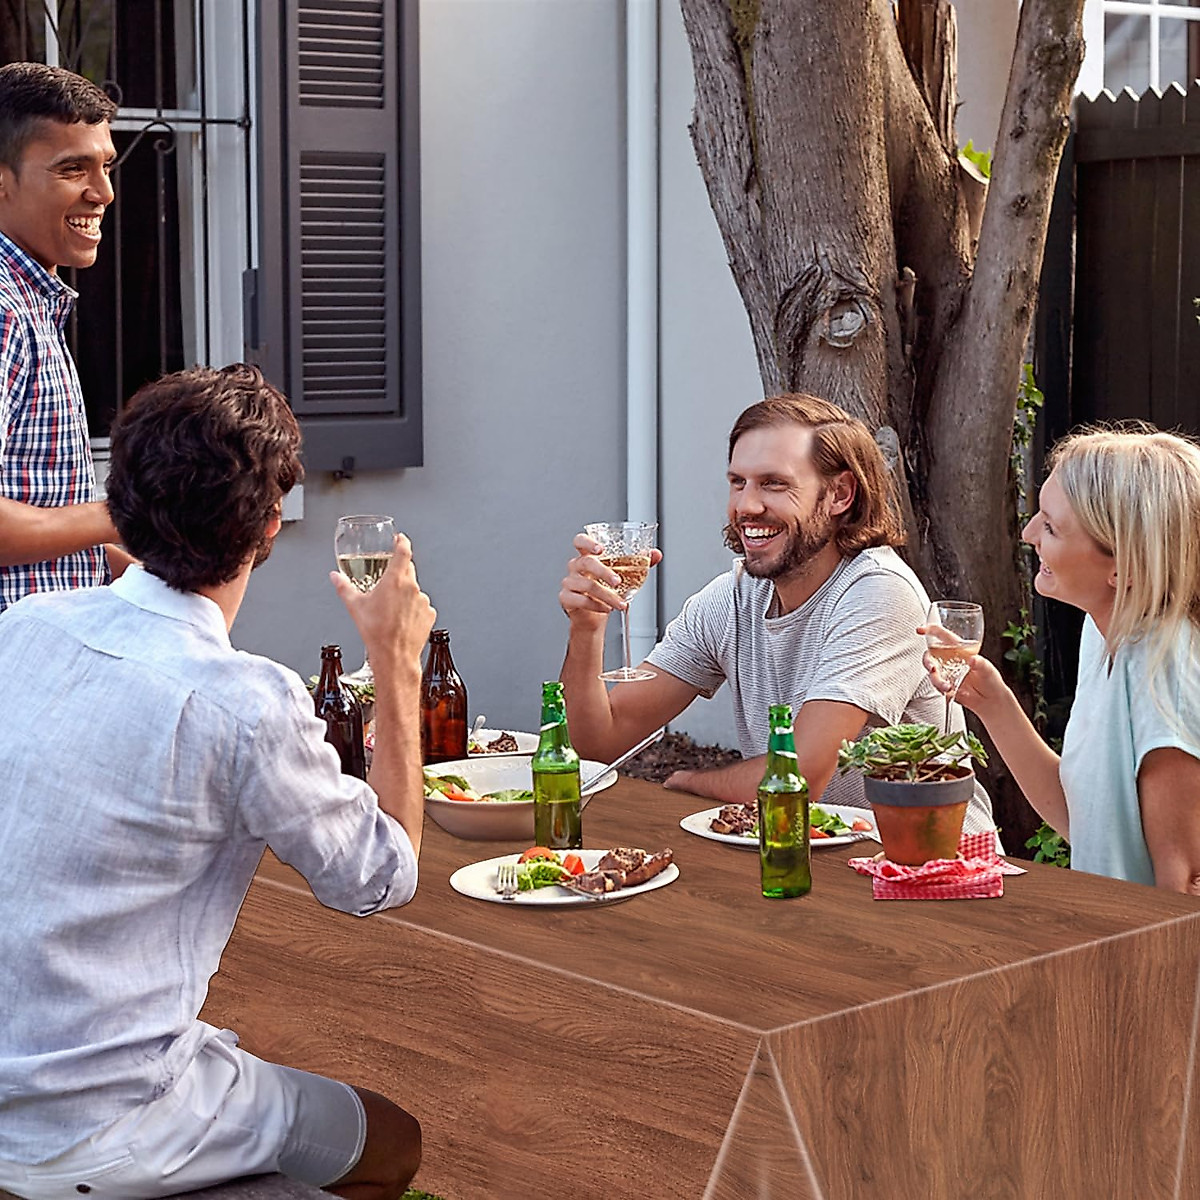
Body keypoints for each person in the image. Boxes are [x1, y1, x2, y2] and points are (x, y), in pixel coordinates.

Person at [0, 364, 435, 1199]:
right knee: (393, 1140)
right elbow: (380, 880)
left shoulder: (25, 625)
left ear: (120, 500)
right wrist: (395, 659)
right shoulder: (245, 700)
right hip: (103, 1124)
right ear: (269, 526)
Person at [559, 392, 994, 832]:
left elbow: (800, 777)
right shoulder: (731, 599)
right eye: (738, 482)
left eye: (773, 484)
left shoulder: (879, 593)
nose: (746, 506)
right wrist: (587, 626)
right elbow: (597, 744)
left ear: (840, 494)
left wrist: (691, 783)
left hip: (932, 861)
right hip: (802, 846)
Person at [926, 426, 1200, 892]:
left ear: (1124, 568)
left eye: (1051, 526)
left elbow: (1182, 890)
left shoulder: (1165, 672)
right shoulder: (1104, 632)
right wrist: (993, 703)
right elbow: (1085, 822)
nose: (1029, 533)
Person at [0, 61, 126, 612]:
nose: (103, 193)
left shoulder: (32, 301)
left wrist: (154, 584)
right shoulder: (5, 311)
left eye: (105, 166)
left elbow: (45, 524)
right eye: (73, 169)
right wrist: (128, 513)